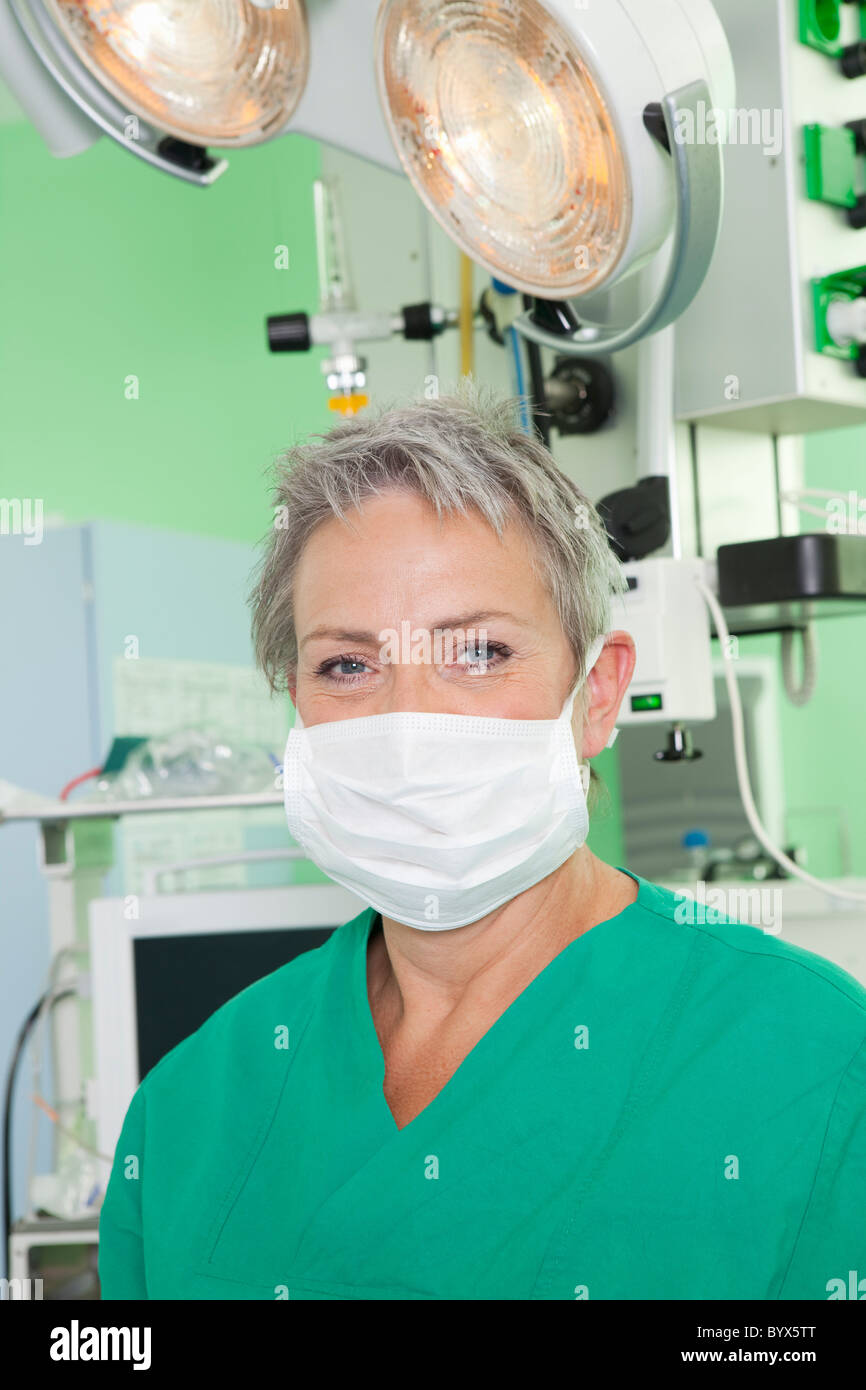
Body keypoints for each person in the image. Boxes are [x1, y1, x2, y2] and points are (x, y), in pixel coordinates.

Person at [98, 380, 866, 1300]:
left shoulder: (805, 1056)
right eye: (348, 664)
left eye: (479, 652)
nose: (409, 716)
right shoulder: (193, 1110)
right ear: (295, 703)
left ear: (597, 693)